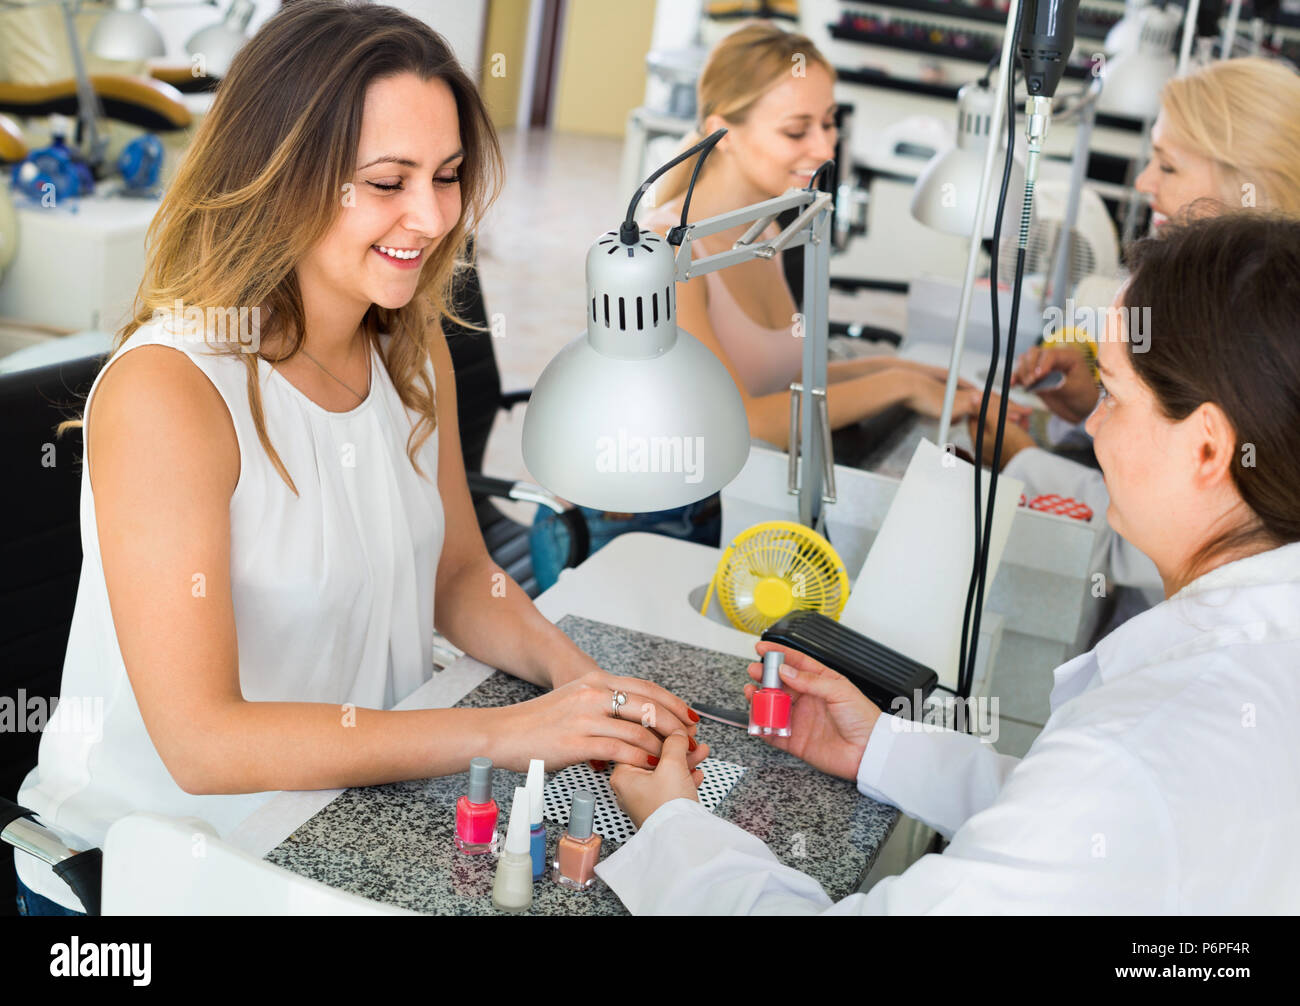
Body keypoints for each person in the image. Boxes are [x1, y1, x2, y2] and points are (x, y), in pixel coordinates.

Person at [14, 0, 707, 916]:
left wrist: (580, 685)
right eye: (388, 181)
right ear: (283, 176)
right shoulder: (171, 393)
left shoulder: (410, 349)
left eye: (448, 175)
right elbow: (202, 743)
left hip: (333, 823)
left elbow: (460, 575)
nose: (429, 216)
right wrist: (502, 733)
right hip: (149, 865)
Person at [597, 213, 1300, 913]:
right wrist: (883, 749)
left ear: (1207, 448)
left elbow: (1103, 801)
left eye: (1112, 395)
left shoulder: (1140, 748)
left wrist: (673, 827)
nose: (1090, 426)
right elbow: (1084, 830)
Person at [530, 23, 1023, 592]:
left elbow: (784, 378)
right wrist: (901, 390)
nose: (826, 147)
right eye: (797, 131)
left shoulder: (764, 229)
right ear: (722, 133)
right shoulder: (668, 254)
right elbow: (739, 419)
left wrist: (910, 372)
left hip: (719, 507)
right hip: (623, 531)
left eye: (829, 122)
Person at [996, 57, 1300, 601]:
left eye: (1169, 165)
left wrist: (1020, 458)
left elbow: (1172, 534)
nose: (1142, 182)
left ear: (1248, 183)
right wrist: (1105, 398)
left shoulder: (1261, 338)